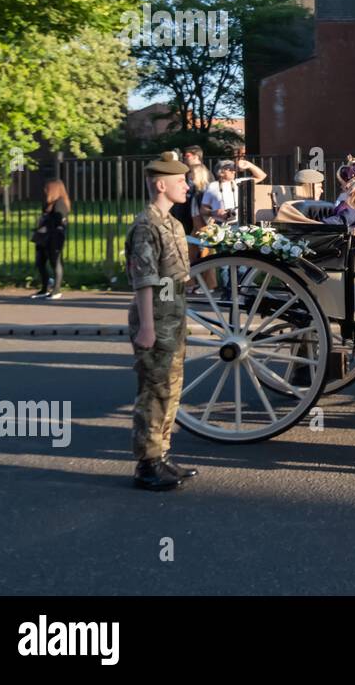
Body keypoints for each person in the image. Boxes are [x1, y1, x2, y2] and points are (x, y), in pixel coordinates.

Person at [125, 151, 195, 491]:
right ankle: (147, 464)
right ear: (160, 184)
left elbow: (174, 276)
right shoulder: (146, 226)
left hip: (173, 314)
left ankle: (162, 455)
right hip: (155, 317)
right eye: (181, 181)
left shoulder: (173, 223)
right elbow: (144, 280)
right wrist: (148, 327)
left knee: (171, 387)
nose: (187, 185)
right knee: (153, 390)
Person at [30, 178, 71, 300]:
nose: (44, 190)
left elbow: (59, 222)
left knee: (55, 262)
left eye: (47, 188)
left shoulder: (60, 203)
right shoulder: (48, 203)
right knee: (40, 262)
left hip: (54, 237)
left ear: (54, 190)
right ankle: (44, 288)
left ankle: (56, 290)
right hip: (43, 237)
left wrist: (47, 227)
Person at [201, 156, 268, 227]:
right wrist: (214, 213)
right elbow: (203, 210)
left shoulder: (239, 182)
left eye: (233, 169)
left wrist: (249, 165)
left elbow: (261, 176)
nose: (233, 171)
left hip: (241, 224)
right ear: (220, 173)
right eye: (229, 169)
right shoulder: (212, 186)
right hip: (221, 225)